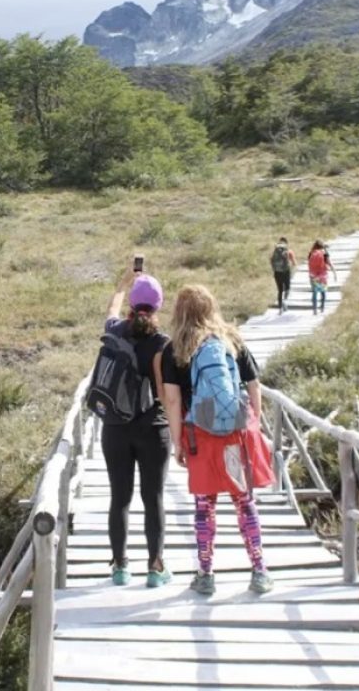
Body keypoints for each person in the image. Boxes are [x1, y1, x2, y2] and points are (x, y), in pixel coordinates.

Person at [162, 284, 275, 595]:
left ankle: (206, 573)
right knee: (244, 501)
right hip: (237, 434)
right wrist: (254, 425)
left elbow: (172, 401)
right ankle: (259, 569)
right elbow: (254, 387)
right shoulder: (232, 340)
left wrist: (178, 442)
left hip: (201, 435)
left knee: (204, 506)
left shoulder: (176, 349)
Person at [100, 267, 172, 588]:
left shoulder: (115, 331)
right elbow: (164, 393)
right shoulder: (162, 342)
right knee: (153, 497)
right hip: (152, 428)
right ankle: (155, 568)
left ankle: (119, 566)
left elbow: (112, 311)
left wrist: (122, 283)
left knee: (120, 497)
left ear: (131, 302)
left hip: (115, 427)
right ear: (158, 307)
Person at [308, 239, 337, 315]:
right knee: (323, 292)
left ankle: (314, 309)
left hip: (313, 276)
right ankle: (322, 308)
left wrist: (311, 275)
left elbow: (309, 264)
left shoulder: (311, 253)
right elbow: (330, 263)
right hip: (323, 276)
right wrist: (334, 273)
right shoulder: (324, 253)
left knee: (314, 293)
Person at [269, 237, 297, 314]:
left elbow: (271, 260)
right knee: (287, 288)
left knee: (280, 290)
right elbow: (294, 263)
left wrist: (274, 269)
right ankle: (285, 301)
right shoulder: (289, 251)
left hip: (277, 272)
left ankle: (280, 308)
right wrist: (292, 269)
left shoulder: (275, 251)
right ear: (286, 243)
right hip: (286, 272)